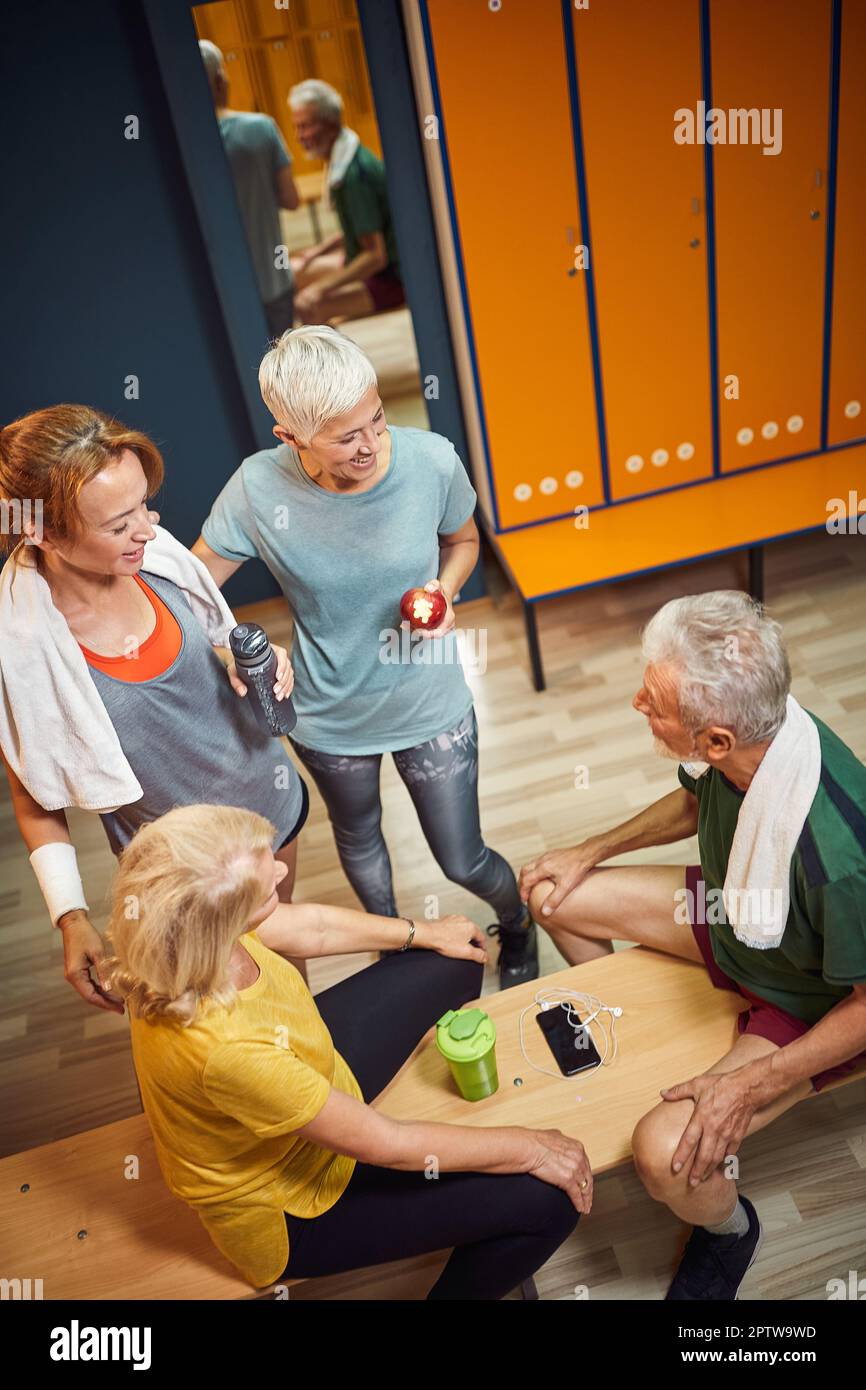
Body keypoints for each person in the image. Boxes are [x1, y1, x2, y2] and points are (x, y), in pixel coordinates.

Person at [519, 591, 866, 1300]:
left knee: (665, 1158)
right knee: (553, 894)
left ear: (715, 739)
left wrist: (749, 1084)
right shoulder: (755, 739)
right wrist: (593, 848)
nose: (636, 705)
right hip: (737, 911)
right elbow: (693, 801)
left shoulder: (842, 863)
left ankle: (730, 1232)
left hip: (808, 996)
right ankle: (635, 1029)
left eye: (653, 702)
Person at [106, 802, 592, 1297]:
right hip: (294, 1199)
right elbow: (391, 1145)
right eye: (265, 883)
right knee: (551, 1201)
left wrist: (422, 932)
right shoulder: (225, 1048)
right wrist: (532, 1148)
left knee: (456, 957)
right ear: (220, 924)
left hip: (310, 1068)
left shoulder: (183, 935)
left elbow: (311, 927)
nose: (280, 868)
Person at [192, 325, 539, 987]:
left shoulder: (431, 460)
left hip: (430, 703)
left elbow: (463, 541)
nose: (372, 445)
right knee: (360, 842)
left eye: (376, 420)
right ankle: (398, 956)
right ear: (289, 438)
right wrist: (221, 645)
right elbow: (187, 585)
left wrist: (445, 586)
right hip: (328, 716)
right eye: (346, 436)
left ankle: (518, 921)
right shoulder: (258, 489)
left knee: (462, 860)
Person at [0, 405, 306, 1009]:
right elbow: (34, 791)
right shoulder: (23, 645)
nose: (148, 527)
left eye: (144, 503)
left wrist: (248, 658)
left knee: (286, 970)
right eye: (119, 523)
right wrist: (71, 916)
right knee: (214, 1003)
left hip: (268, 798)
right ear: (44, 532)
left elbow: (212, 649)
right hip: (178, 868)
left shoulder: (157, 559)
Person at [199, 40, 299, 339]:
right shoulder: (261, 128)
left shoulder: (183, 147)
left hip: (219, 289)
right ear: (220, 81)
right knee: (279, 370)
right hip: (272, 281)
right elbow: (291, 199)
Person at [288, 79, 404, 323]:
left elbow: (375, 256)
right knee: (293, 270)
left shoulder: (353, 176)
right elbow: (361, 228)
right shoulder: (345, 156)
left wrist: (319, 289)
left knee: (308, 306)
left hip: (392, 279)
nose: (299, 136)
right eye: (297, 127)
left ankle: (331, 360)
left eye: (305, 126)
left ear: (330, 125)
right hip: (372, 264)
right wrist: (316, 252)